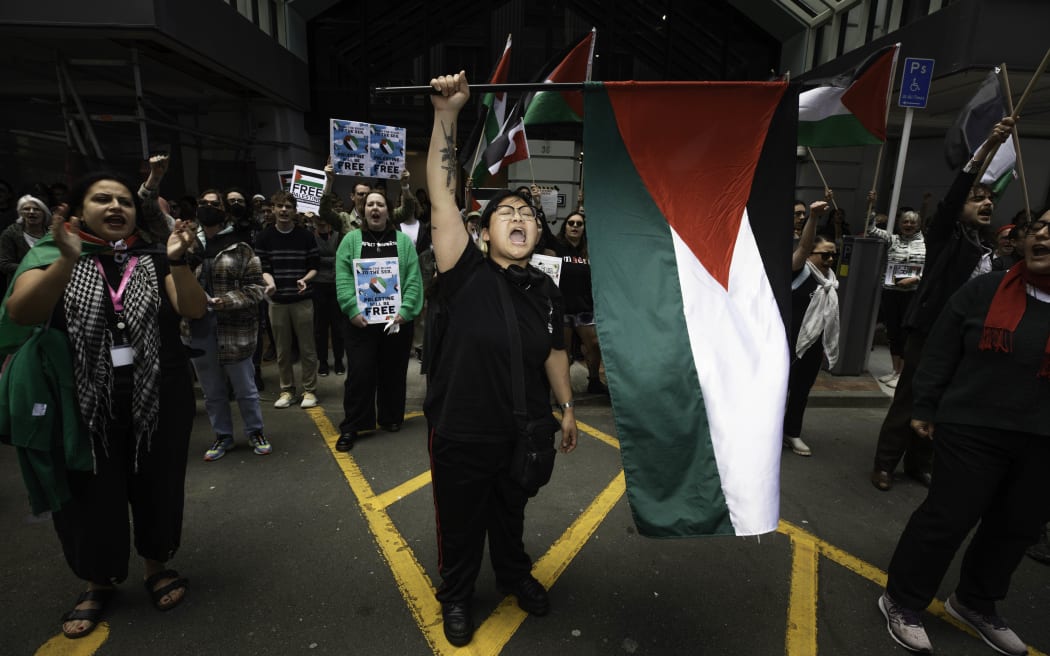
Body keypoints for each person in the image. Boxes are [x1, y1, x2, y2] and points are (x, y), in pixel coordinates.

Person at [0, 170, 207, 639]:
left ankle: (157, 565)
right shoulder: (50, 254)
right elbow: (22, 312)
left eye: (125, 202)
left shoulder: (154, 257)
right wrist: (65, 262)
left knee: (158, 484)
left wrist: (179, 262)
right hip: (81, 402)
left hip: (157, 397)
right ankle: (98, 580)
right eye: (103, 200)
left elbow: (193, 309)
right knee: (88, 494)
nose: (116, 207)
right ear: (78, 213)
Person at [425, 70, 578, 648]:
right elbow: (442, 196)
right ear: (483, 233)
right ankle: (457, 595)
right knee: (461, 523)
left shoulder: (545, 289)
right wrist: (446, 113)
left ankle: (514, 575)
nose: (520, 218)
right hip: (463, 431)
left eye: (529, 215)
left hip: (523, 431)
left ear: (539, 233)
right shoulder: (463, 272)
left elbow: (555, 350)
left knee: (510, 516)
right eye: (506, 212)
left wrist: (566, 407)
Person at [877, 211, 1050, 656]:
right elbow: (940, 348)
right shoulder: (985, 290)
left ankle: (975, 602)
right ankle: (902, 600)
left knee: (1016, 527)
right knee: (949, 517)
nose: (1043, 235)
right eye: (1040, 227)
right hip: (972, 428)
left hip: (1041, 440)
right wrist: (925, 406)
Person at [870, 118, 1014, 492]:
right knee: (910, 398)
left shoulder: (989, 251)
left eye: (990, 199)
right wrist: (988, 147)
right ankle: (885, 464)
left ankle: (920, 462)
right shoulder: (946, 238)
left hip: (967, 340)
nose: (987, 203)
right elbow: (953, 197)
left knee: (941, 402)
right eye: (977, 198)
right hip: (931, 331)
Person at [332, 189, 423, 451]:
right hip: (360, 323)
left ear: (388, 211)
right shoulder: (351, 240)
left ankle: (391, 417)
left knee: (393, 371)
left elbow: (413, 279)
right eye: (370, 204)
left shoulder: (402, 241)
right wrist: (352, 309)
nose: (374, 208)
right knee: (360, 373)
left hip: (396, 322)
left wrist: (405, 311)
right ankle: (353, 425)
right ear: (362, 210)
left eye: (380, 204)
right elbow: (343, 277)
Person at [185, 189, 271, 461]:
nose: (207, 208)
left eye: (214, 204)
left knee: (244, 387)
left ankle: (255, 431)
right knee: (212, 390)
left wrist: (227, 301)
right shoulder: (188, 246)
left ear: (223, 211)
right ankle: (223, 435)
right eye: (203, 203)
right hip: (199, 327)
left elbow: (257, 288)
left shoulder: (240, 247)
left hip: (235, 327)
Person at [254, 191, 320, 409]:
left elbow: (315, 265)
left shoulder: (306, 236)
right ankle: (287, 390)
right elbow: (263, 267)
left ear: (294, 211)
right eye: (280, 206)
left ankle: (309, 390)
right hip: (277, 301)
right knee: (282, 351)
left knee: (307, 348)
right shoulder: (264, 237)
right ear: (273, 209)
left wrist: (305, 279)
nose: (284, 210)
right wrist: (270, 282)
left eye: (288, 207)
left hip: (302, 300)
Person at [783, 200, 836, 457]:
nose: (830, 259)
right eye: (824, 254)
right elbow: (803, 247)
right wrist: (813, 217)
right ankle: (766, 433)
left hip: (812, 346)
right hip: (787, 343)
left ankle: (791, 432)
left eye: (833, 254)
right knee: (778, 391)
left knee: (801, 391)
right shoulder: (797, 270)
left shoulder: (829, 281)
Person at [867, 204, 926, 387]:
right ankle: (895, 371)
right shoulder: (892, 239)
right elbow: (871, 230)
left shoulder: (926, 244)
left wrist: (915, 279)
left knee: (906, 333)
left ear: (918, 225)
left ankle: (904, 374)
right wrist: (872, 208)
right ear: (900, 224)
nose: (908, 225)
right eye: (905, 222)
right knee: (892, 332)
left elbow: (931, 268)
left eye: (912, 222)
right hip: (891, 293)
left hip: (912, 294)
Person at [553, 211, 607, 394]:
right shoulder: (557, 248)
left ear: (584, 228)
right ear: (565, 227)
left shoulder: (590, 250)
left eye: (579, 223)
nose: (575, 226)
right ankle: (563, 389)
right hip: (562, 308)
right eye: (571, 223)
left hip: (585, 309)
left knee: (594, 345)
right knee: (564, 351)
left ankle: (594, 381)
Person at [312, 207, 346, 377]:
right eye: (318, 218)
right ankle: (323, 362)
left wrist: (322, 261)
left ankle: (339, 360)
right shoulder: (311, 237)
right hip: (318, 286)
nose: (321, 221)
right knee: (320, 327)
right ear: (314, 220)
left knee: (338, 326)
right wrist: (333, 260)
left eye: (324, 217)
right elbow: (312, 259)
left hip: (337, 284)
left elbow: (343, 258)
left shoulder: (339, 236)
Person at [0, 195, 51, 289]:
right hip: (21, 286)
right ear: (21, 213)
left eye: (36, 209)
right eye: (26, 209)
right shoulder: (10, 234)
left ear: (44, 213)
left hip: (49, 285)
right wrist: (34, 269)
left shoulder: (52, 235)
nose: (31, 212)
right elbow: (5, 265)